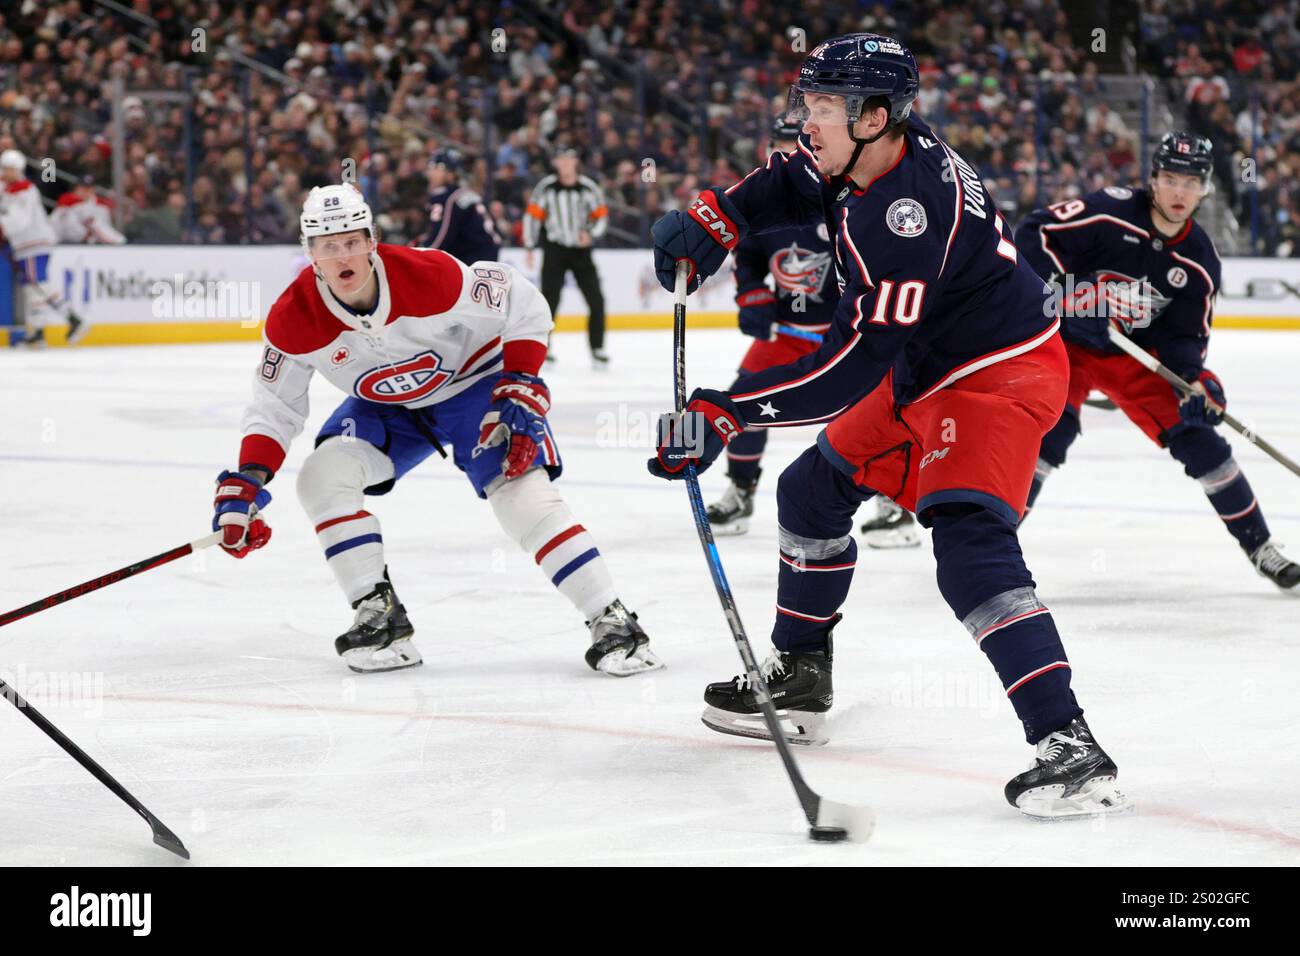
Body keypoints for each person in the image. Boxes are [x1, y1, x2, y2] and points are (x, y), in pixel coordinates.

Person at [649, 34, 1129, 819]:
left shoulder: (904, 220)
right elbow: (791, 178)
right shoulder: (866, 153)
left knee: (969, 545)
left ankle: (1068, 742)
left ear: (874, 118)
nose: (807, 121)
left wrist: (730, 412)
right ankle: (802, 677)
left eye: (824, 107)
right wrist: (722, 214)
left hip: (996, 373)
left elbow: (847, 371)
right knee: (810, 492)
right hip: (930, 362)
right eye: (808, 102)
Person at [212, 184, 661, 677]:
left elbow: (521, 299)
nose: (343, 256)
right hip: (389, 406)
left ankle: (612, 619)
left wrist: (520, 381)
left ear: (372, 241)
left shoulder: (428, 275)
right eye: (328, 245)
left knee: (520, 493)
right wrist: (248, 481)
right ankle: (379, 615)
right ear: (310, 253)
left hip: (475, 385)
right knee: (321, 478)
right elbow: (275, 407)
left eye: (352, 241)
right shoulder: (292, 319)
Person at [1015, 133, 1299, 591]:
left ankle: (1261, 547)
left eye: (1191, 182)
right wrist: (1065, 300)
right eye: (1170, 179)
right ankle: (994, 541)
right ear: (1152, 180)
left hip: (1134, 357)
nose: (1179, 192)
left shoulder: (1199, 261)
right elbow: (1035, 233)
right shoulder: (1110, 210)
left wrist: (1199, 383)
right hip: (1067, 345)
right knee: (1048, 435)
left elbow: (1184, 340)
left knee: (1201, 441)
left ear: (1205, 188)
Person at [523, 148, 610, 368]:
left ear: (575, 161)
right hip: (555, 250)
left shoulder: (588, 187)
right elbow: (532, 216)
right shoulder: (546, 187)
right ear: (555, 163)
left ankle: (597, 348)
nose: (565, 163)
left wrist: (591, 234)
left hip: (581, 251)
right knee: (548, 301)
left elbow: (601, 216)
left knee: (596, 299)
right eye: (561, 159)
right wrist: (530, 245)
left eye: (568, 159)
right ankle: (544, 348)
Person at [0, 150, 90, 347]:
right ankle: (39, 332)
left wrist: (2, 227)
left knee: (38, 284)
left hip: (33, 243)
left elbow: (19, 221)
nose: (6, 172)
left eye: (10, 169)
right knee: (31, 287)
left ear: (18, 170)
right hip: (24, 245)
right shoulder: (8, 188)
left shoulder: (24, 190)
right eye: (4, 168)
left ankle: (73, 318)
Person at [415, 148, 502, 264]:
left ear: (451, 174)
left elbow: (440, 239)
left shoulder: (447, 197)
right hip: (488, 257)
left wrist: (417, 254)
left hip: (473, 262)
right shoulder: (464, 193)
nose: (430, 173)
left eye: (436, 168)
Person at [51, 176, 126, 245]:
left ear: (93, 189)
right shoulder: (65, 202)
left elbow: (105, 227)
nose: (85, 191)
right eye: (82, 188)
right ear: (76, 189)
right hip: (64, 242)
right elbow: (55, 223)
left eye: (88, 188)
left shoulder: (101, 207)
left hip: (92, 244)